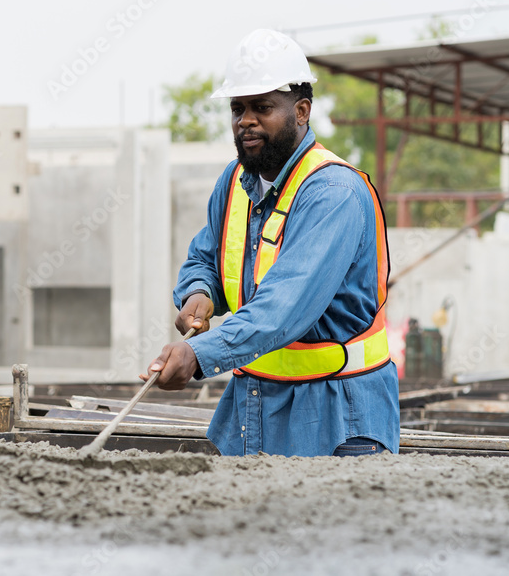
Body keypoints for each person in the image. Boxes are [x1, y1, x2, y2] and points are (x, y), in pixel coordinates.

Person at [140, 29, 399, 457]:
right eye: (238, 108)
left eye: (262, 107)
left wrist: (197, 354)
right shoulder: (235, 181)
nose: (246, 120)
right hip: (254, 404)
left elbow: (283, 309)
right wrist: (199, 294)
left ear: (301, 111)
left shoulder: (333, 193)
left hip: (336, 413)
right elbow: (206, 256)